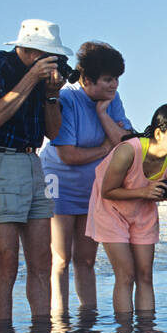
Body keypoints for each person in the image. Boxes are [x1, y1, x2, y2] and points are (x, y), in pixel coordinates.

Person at [0, 19, 72, 324]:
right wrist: (31, 78)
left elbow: (54, 133)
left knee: (41, 261)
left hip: (33, 161)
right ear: (30, 50)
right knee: (6, 262)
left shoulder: (43, 81)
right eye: (48, 57)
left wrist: (51, 94)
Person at [39, 41, 132, 314]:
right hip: (58, 183)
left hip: (91, 187)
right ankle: (59, 323)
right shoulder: (67, 98)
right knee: (60, 259)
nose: (114, 85)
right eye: (107, 80)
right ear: (87, 79)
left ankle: (87, 321)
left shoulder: (112, 99)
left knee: (87, 260)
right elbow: (68, 154)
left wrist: (103, 113)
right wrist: (104, 148)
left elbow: (123, 142)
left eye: (116, 79)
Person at [87, 104, 167, 315]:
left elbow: (154, 189)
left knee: (145, 275)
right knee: (126, 274)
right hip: (111, 210)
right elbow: (107, 191)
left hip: (143, 212)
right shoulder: (129, 150)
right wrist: (145, 192)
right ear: (159, 133)